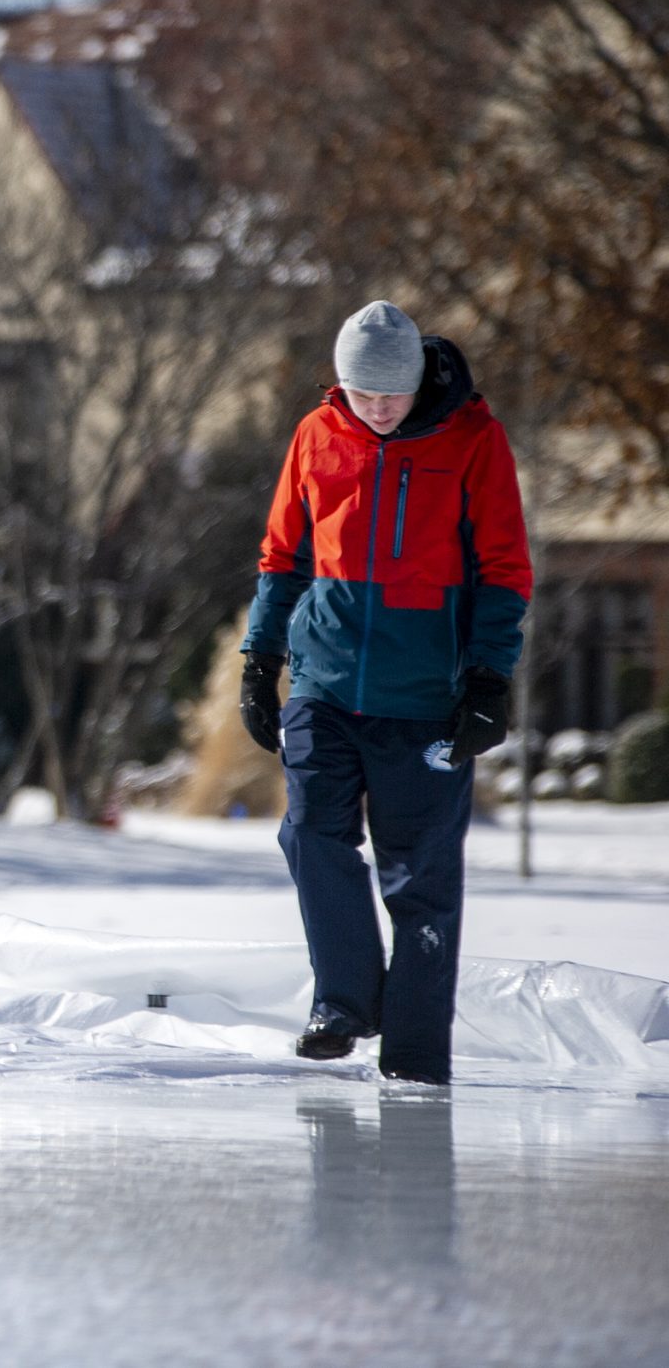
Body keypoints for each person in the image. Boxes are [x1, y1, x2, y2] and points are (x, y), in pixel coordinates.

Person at [236, 302, 531, 1085]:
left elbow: (503, 567)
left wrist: (489, 680)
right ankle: (342, 1002)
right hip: (325, 681)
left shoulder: (473, 439)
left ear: (414, 383)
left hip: (425, 694)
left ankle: (414, 1064)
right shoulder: (316, 435)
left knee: (420, 882)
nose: (377, 408)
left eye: (390, 395)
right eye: (361, 394)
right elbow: (282, 555)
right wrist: (259, 660)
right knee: (309, 834)